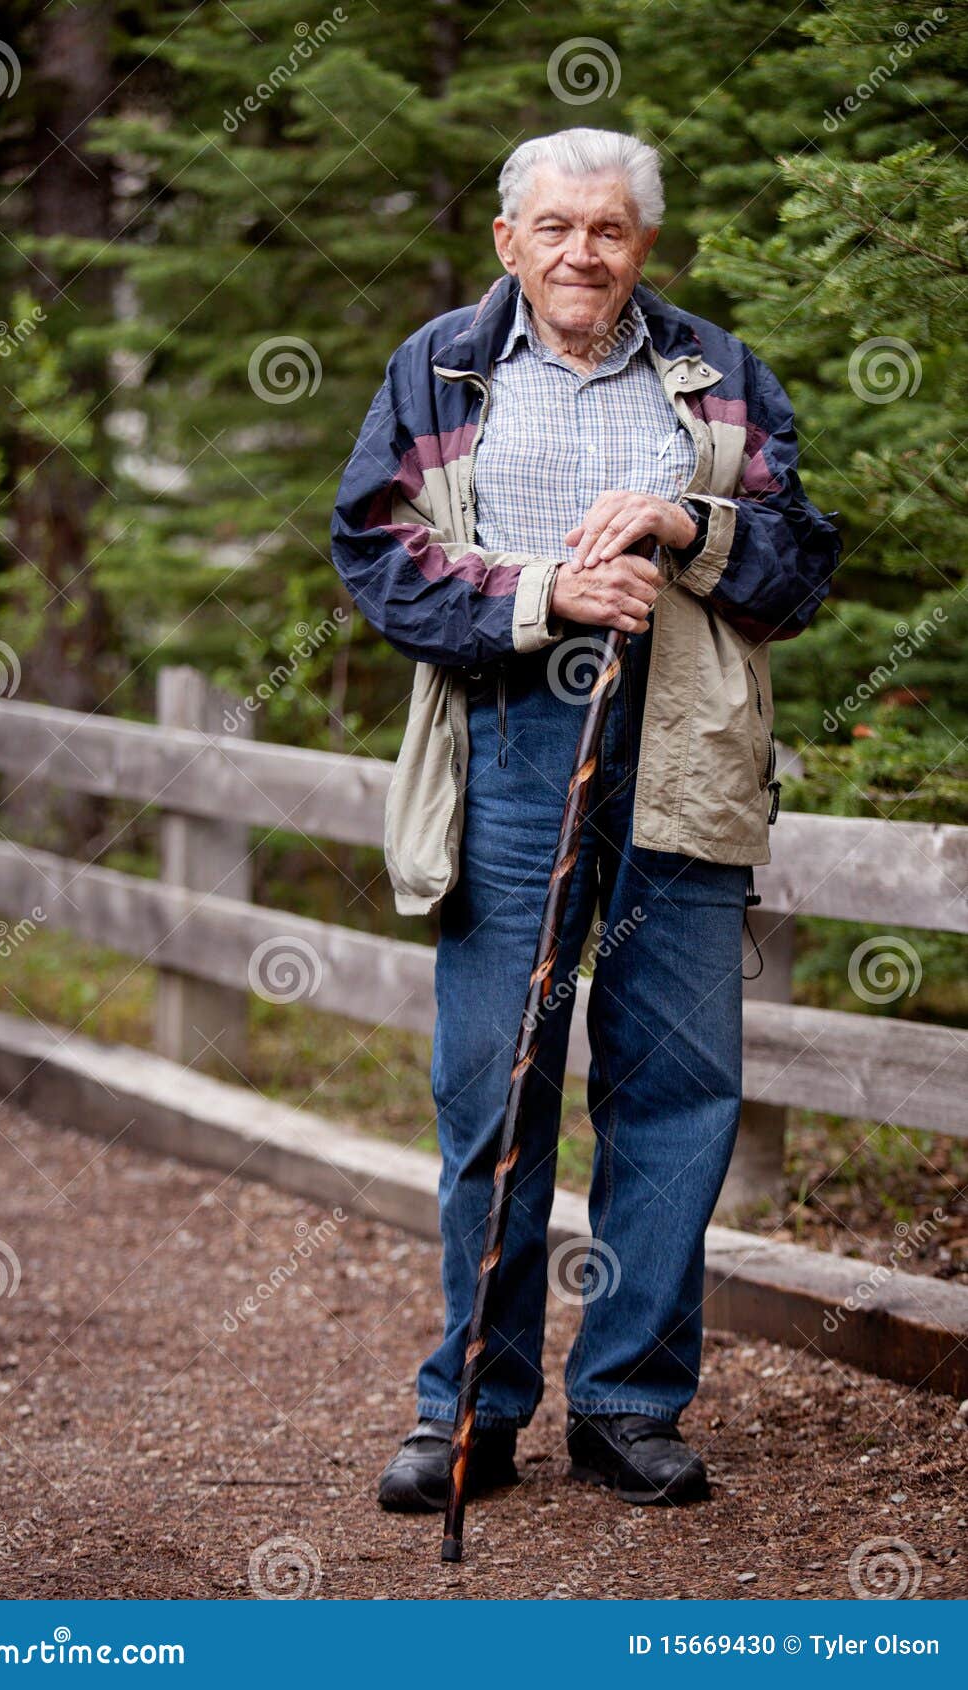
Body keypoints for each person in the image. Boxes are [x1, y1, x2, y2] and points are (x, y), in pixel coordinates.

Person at [330, 127, 840, 1513]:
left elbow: (802, 565)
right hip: (508, 740)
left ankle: (628, 1401)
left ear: (641, 249)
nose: (580, 252)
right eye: (553, 227)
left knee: (674, 1087)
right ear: (510, 242)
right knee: (493, 1084)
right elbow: (376, 555)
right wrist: (540, 597)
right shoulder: (439, 366)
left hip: (681, 745)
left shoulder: (718, 376)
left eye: (608, 229)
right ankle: (472, 1411)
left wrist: (691, 527)